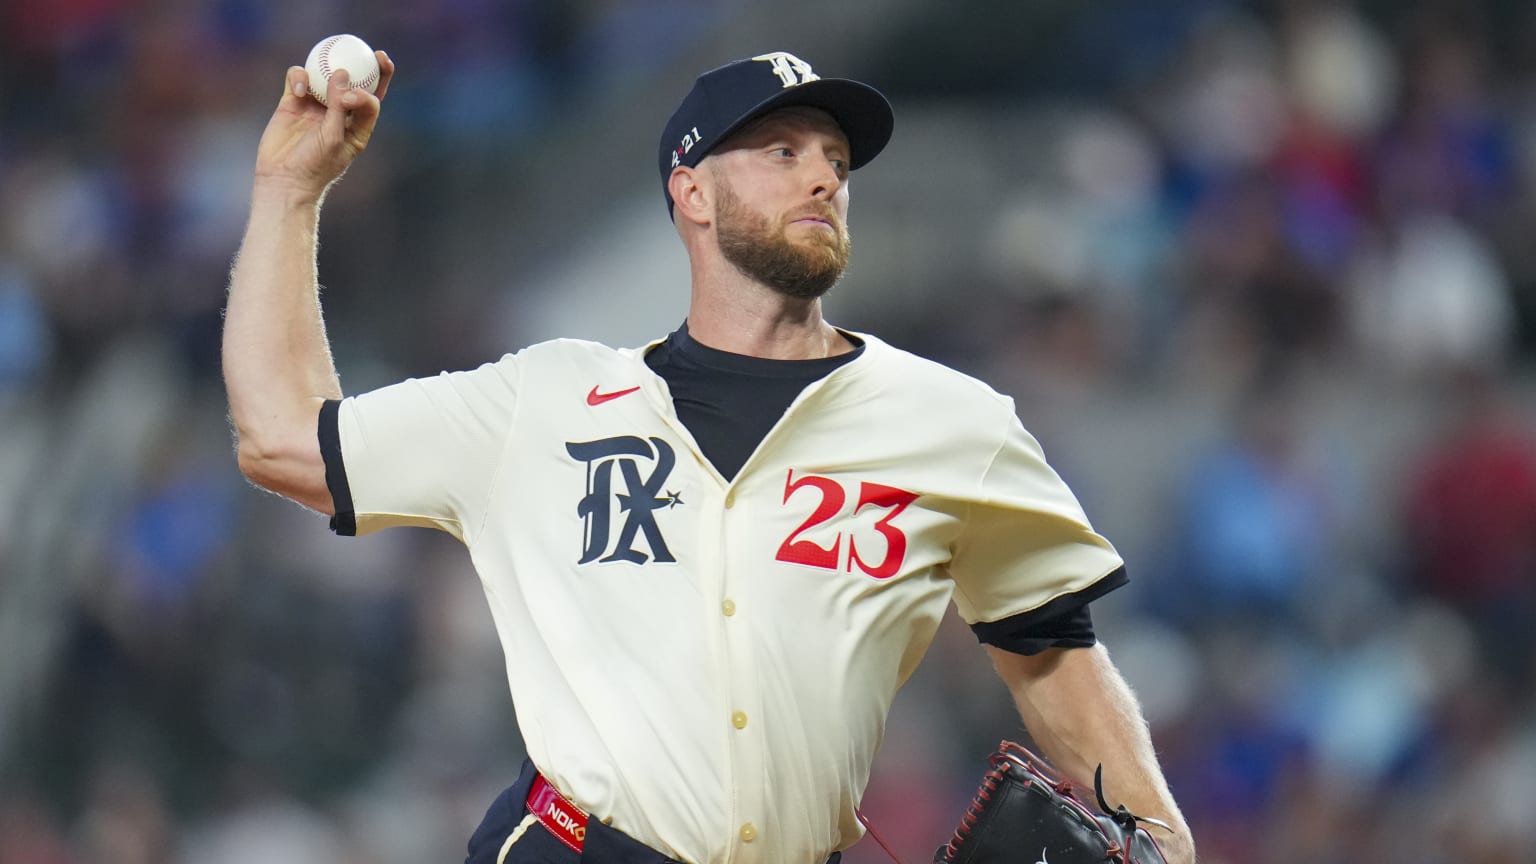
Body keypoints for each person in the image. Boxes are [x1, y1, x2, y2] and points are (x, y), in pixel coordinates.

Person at [223, 49, 1195, 864]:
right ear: (691, 189)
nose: (823, 178)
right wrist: (289, 193)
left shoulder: (952, 425)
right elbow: (283, 437)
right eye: (781, 151)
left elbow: (1051, 652)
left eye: (835, 160)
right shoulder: (543, 399)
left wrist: (1162, 836)